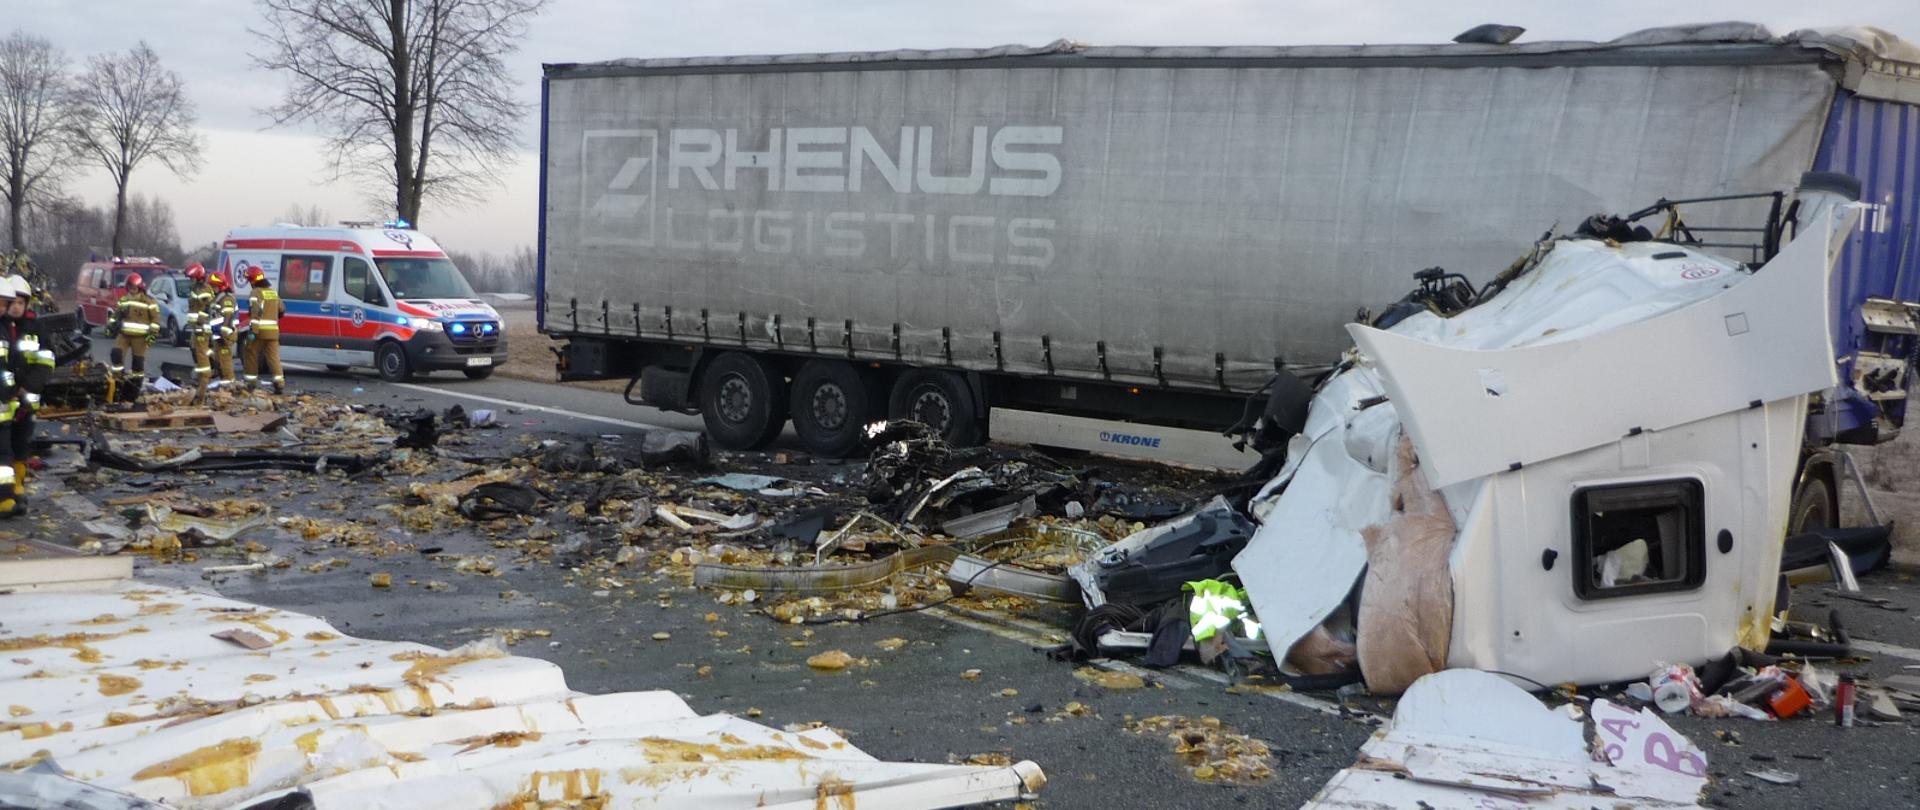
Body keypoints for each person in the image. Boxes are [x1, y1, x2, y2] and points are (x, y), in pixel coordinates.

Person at [3, 274, 49, 515]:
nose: (16, 307)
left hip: (27, 397)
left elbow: (46, 360)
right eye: (12, 303)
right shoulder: (4, 328)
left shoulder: (35, 328)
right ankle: (7, 491)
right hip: (6, 399)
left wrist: (29, 386)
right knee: (5, 448)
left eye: (21, 303)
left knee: (22, 444)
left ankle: (18, 486)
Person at [107, 273, 160, 402]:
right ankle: (118, 382)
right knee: (116, 354)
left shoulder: (149, 301)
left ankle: (134, 390)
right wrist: (110, 326)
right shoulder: (124, 300)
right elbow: (115, 315)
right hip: (124, 335)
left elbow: (155, 319)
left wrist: (152, 335)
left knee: (137, 363)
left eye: (134, 287)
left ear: (140, 287)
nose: (132, 289)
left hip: (140, 338)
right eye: (130, 287)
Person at [243, 267, 284, 394]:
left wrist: (252, 332)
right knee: (273, 358)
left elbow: (255, 312)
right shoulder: (273, 292)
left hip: (260, 331)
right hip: (273, 332)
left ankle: (250, 383)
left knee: (250, 353)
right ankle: (279, 384)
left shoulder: (255, 293)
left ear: (252, 280)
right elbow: (282, 310)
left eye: (249, 280)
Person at [182, 263, 216, 404]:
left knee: (201, 354)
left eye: (192, 278)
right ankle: (210, 368)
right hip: (196, 327)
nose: (190, 280)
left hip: (202, 327)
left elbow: (210, 305)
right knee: (196, 350)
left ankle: (205, 378)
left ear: (198, 277)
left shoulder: (205, 289)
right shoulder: (196, 288)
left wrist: (201, 318)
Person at [209, 272, 239, 391]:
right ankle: (223, 384)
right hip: (218, 334)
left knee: (225, 361)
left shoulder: (227, 299)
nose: (212, 288)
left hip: (225, 335)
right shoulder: (218, 298)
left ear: (220, 286)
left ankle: (229, 386)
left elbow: (228, 317)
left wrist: (224, 334)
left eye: (214, 286)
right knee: (219, 360)